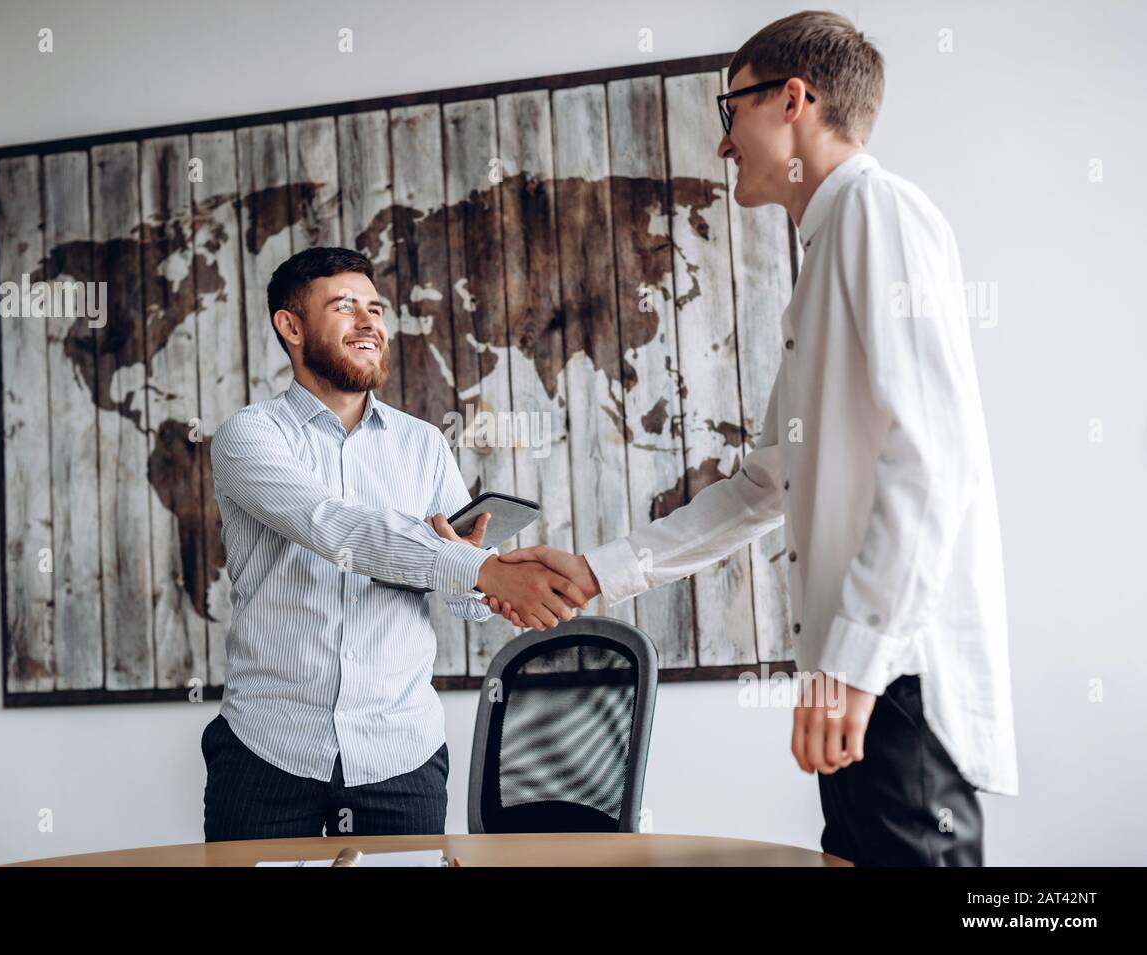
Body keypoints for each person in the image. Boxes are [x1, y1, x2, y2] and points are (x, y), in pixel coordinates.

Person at [481, 11, 1018, 866]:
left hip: (893, 683)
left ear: (794, 99)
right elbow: (765, 486)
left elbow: (933, 457)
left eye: (729, 109)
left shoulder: (878, 212)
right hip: (862, 682)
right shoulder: (828, 250)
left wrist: (854, 663)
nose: (723, 142)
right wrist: (597, 574)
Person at [202, 246, 587, 840]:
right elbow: (332, 526)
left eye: (375, 309)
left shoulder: (425, 444)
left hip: (400, 755)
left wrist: (488, 583)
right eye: (345, 307)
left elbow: (460, 596)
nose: (370, 323)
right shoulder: (247, 436)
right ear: (292, 326)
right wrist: (481, 570)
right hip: (268, 747)